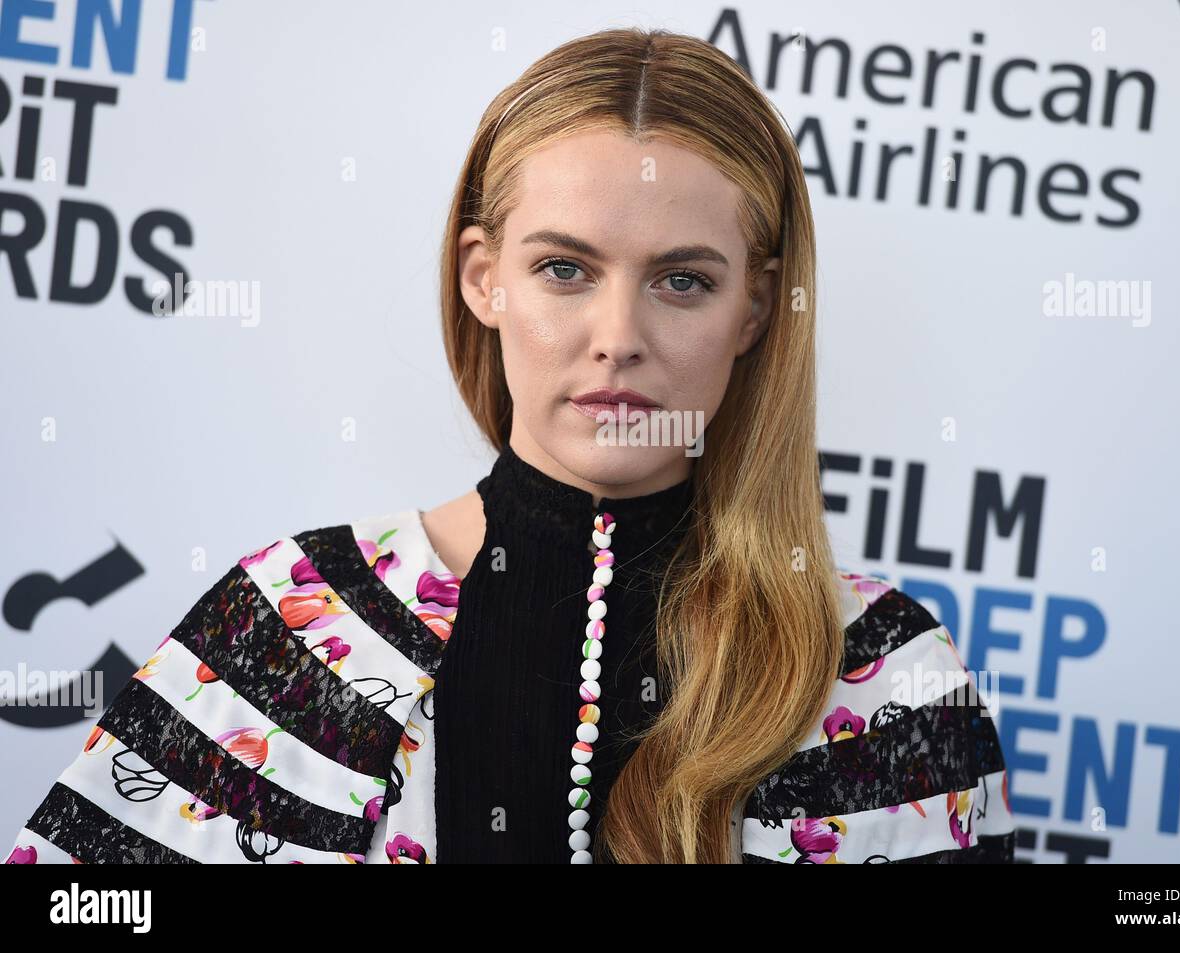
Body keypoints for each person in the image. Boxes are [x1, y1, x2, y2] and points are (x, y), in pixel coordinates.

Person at [6, 26, 1014, 865]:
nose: (617, 334)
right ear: (484, 277)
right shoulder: (288, 619)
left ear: (753, 307)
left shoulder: (880, 670)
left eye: (682, 280)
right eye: (566, 268)